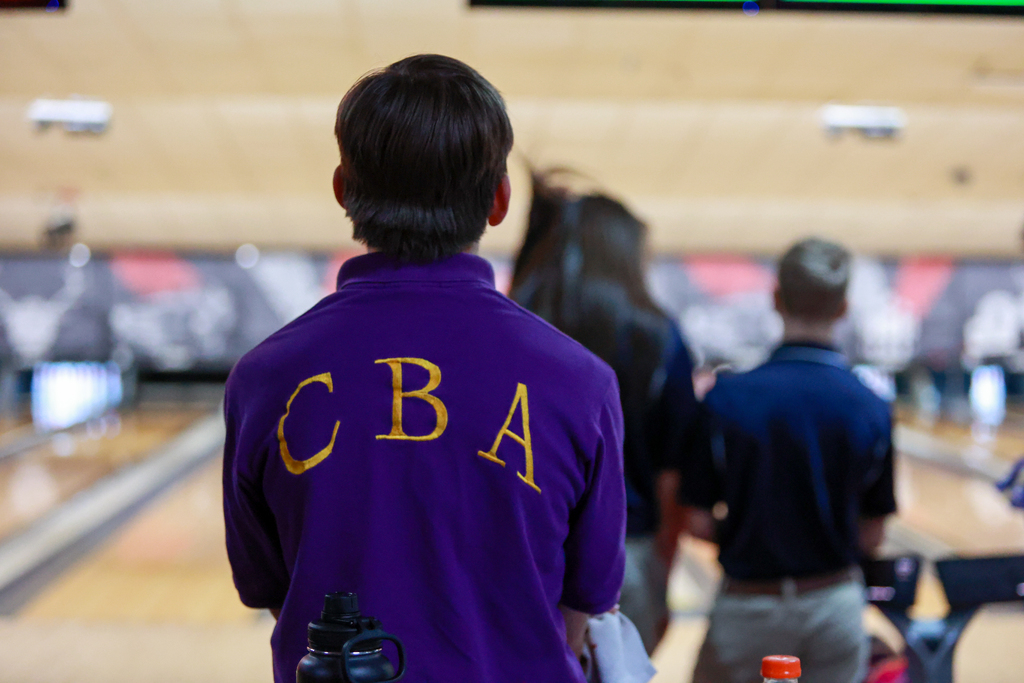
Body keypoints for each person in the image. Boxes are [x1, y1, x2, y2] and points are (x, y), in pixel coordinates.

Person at [222, 55, 627, 683]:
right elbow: (586, 601)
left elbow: (275, 592)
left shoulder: (263, 380)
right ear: (499, 200)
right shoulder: (582, 382)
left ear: (342, 190)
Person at [679, 237, 896, 683]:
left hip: (747, 605)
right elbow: (872, 534)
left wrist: (751, 534)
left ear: (775, 299)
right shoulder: (870, 405)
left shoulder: (726, 400)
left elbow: (697, 522)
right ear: (843, 308)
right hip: (833, 605)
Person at [510, 173, 698, 653]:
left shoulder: (518, 323)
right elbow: (671, 476)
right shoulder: (659, 334)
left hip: (524, 551)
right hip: (627, 556)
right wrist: (664, 574)